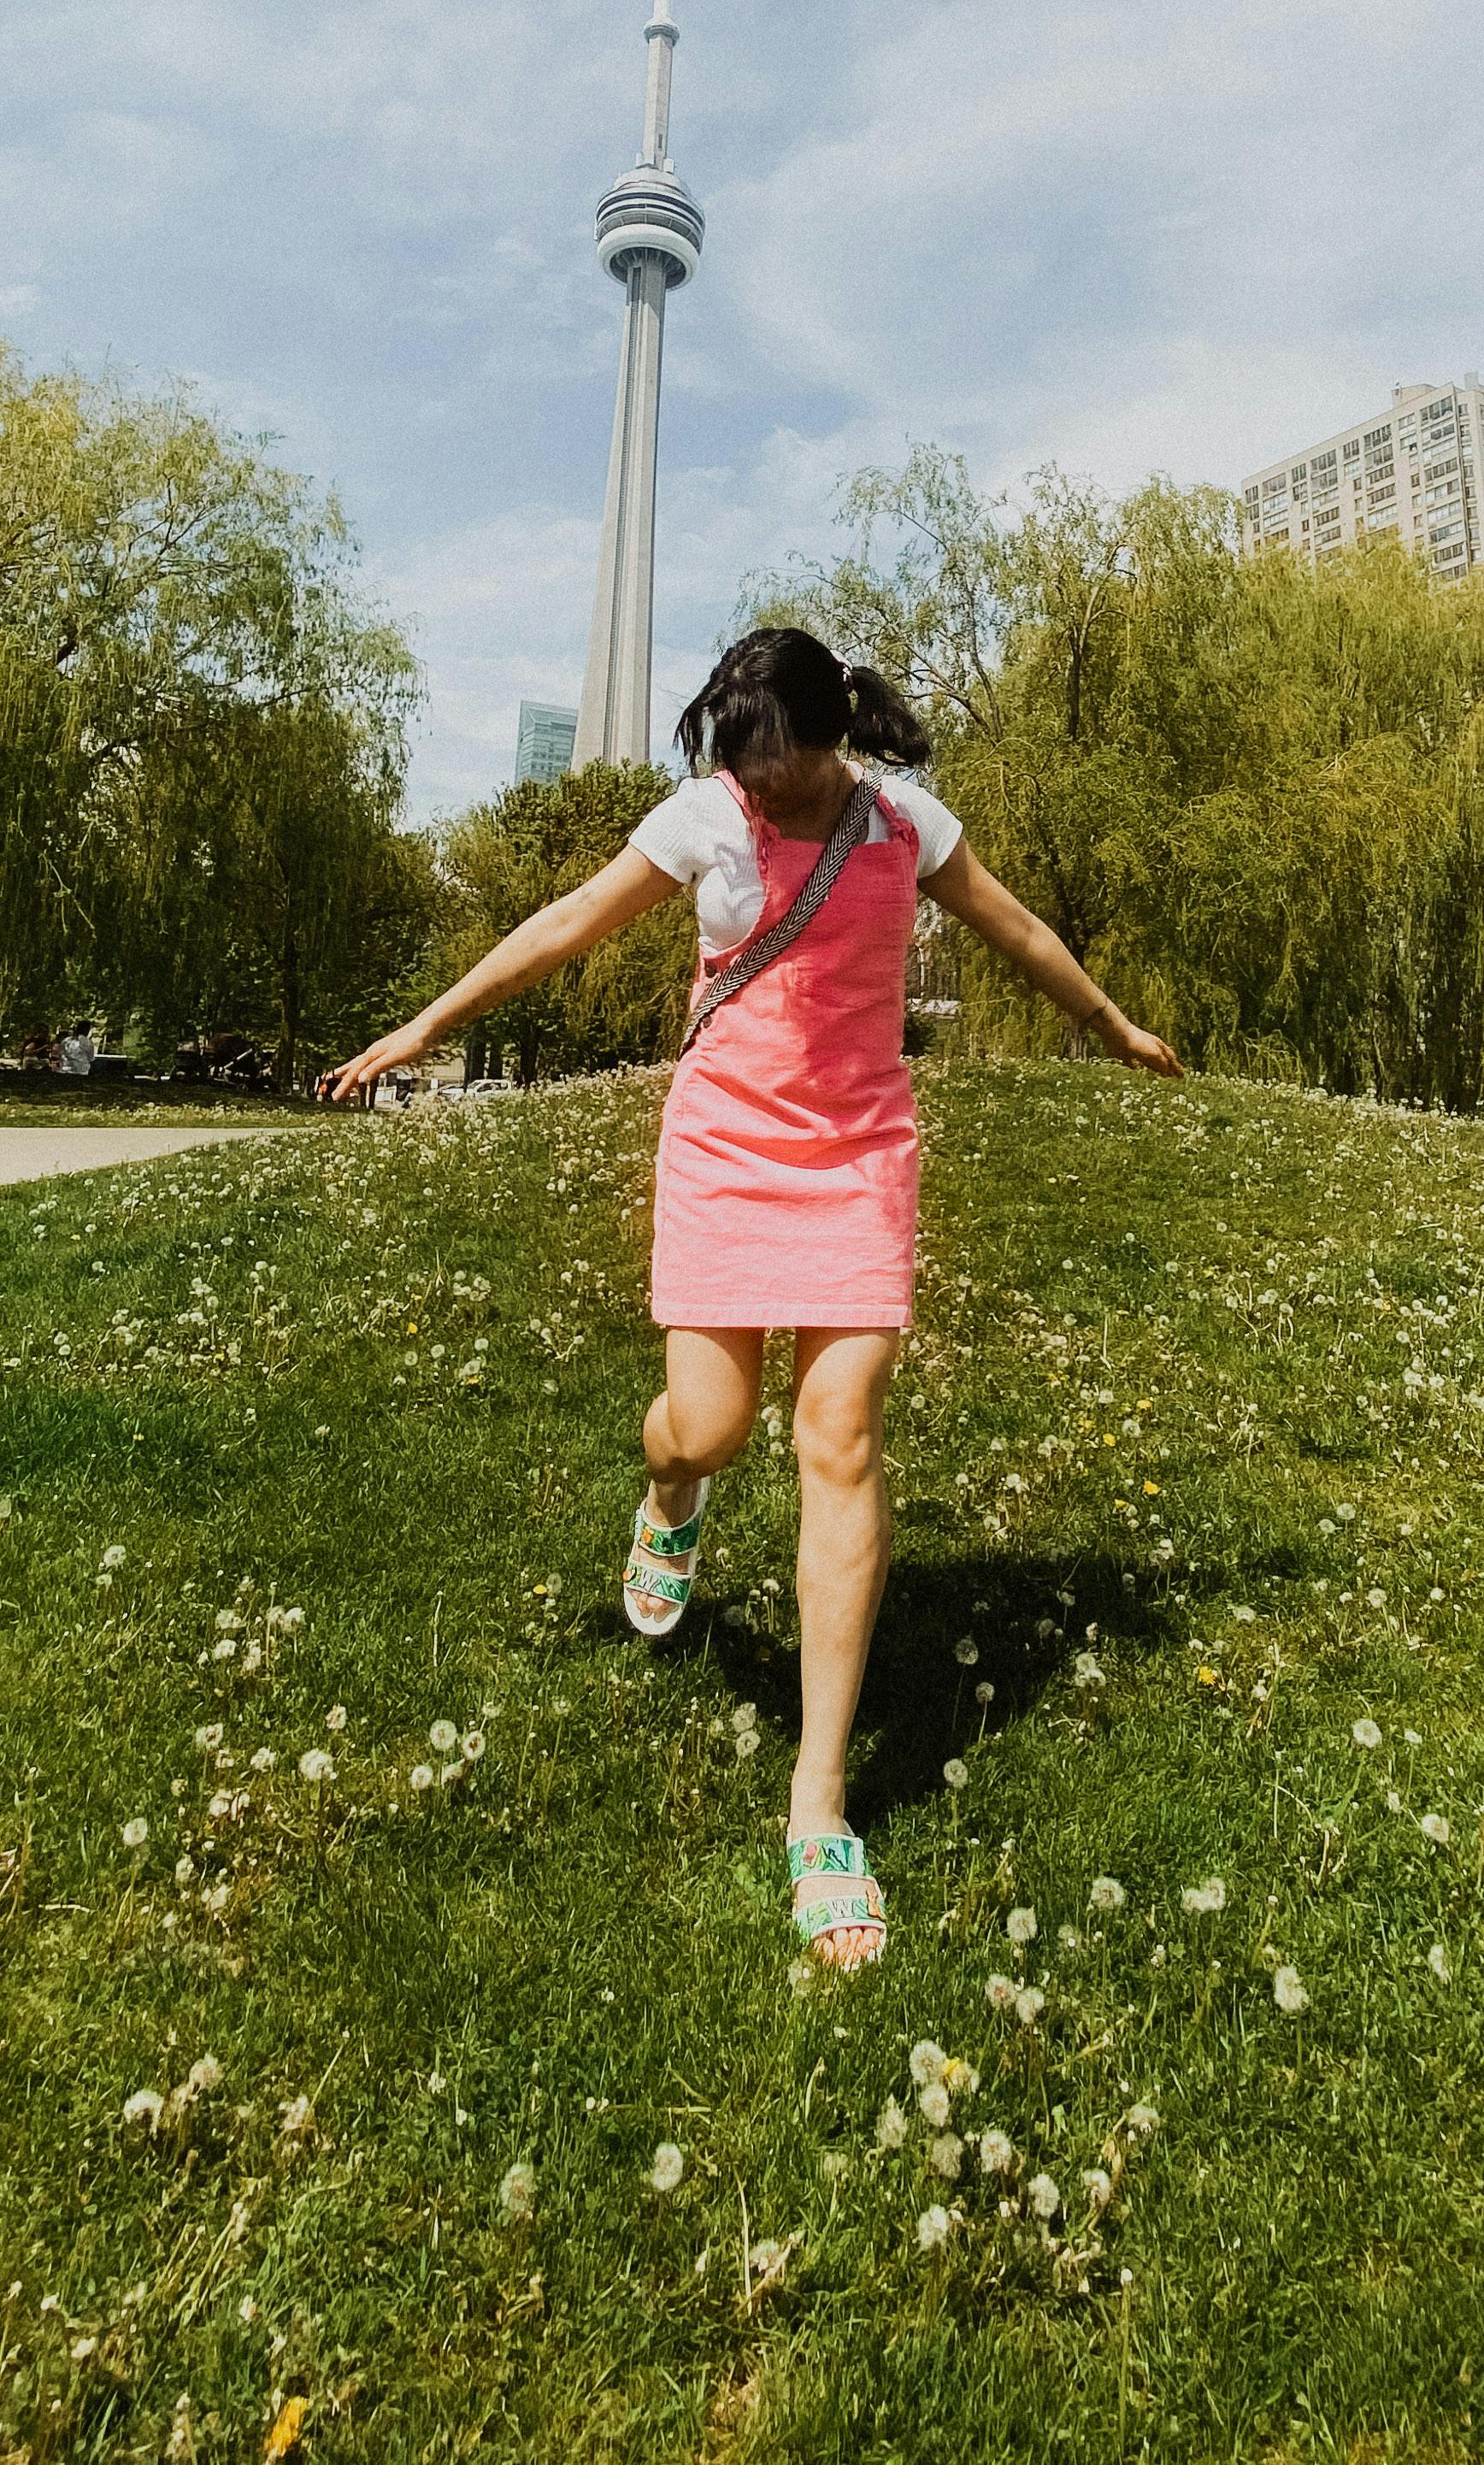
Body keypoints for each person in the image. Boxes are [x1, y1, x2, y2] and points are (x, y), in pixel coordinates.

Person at [322, 627, 1181, 1970]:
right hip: (725, 1153)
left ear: (833, 736)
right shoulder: (702, 821)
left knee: (838, 1431)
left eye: (776, 770)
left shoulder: (908, 822)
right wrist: (424, 1026)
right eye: (744, 772)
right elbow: (563, 923)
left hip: (857, 1160)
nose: (760, 796)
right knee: (708, 1424)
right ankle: (671, 1492)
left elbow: (1014, 927)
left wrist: (1114, 1022)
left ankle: (819, 1802)